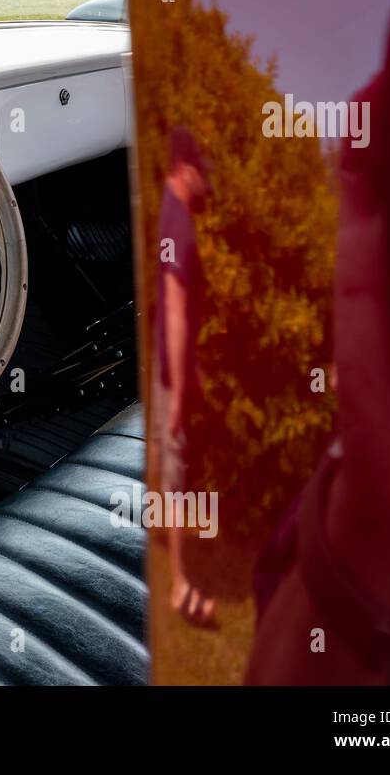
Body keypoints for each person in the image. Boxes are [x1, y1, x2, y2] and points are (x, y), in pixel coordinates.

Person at [154, 125, 216, 627]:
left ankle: (157, 543)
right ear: (187, 169)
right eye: (204, 175)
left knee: (167, 463)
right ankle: (179, 586)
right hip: (169, 372)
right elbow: (174, 309)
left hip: (172, 367)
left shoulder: (170, 214)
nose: (207, 186)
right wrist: (177, 393)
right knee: (175, 475)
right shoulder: (180, 225)